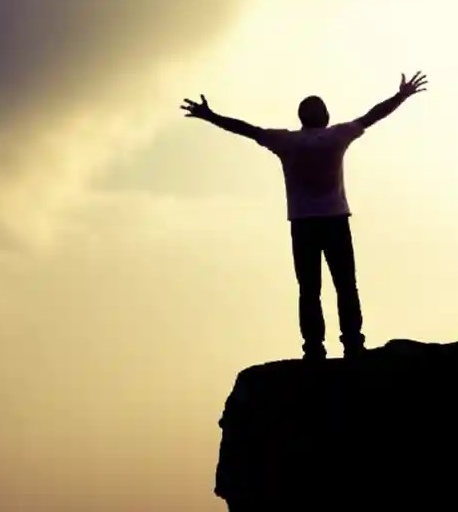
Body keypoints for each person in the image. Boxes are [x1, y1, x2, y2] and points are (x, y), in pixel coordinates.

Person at [181, 71, 429, 360]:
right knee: (345, 284)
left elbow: (247, 130)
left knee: (309, 289)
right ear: (326, 116)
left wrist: (210, 116)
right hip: (335, 220)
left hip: (303, 223)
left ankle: (313, 348)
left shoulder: (287, 142)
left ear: (301, 118)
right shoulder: (336, 136)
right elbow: (372, 116)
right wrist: (401, 96)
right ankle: (353, 343)